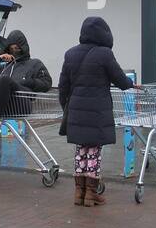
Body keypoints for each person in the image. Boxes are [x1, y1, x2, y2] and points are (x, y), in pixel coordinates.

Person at [58, 17, 135, 207]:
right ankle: (91, 194)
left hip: (76, 110)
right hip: (97, 111)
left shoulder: (70, 54)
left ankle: (79, 193)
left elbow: (62, 87)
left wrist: (68, 108)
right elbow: (121, 81)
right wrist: (132, 84)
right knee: (93, 152)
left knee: (81, 150)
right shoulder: (104, 54)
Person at [0, 30, 52, 134]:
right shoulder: (5, 66)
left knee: (4, 80)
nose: (14, 51)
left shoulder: (34, 63)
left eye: (17, 48)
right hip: (2, 106)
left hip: (21, 105)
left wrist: (29, 82)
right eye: (11, 49)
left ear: (23, 47)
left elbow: (47, 83)